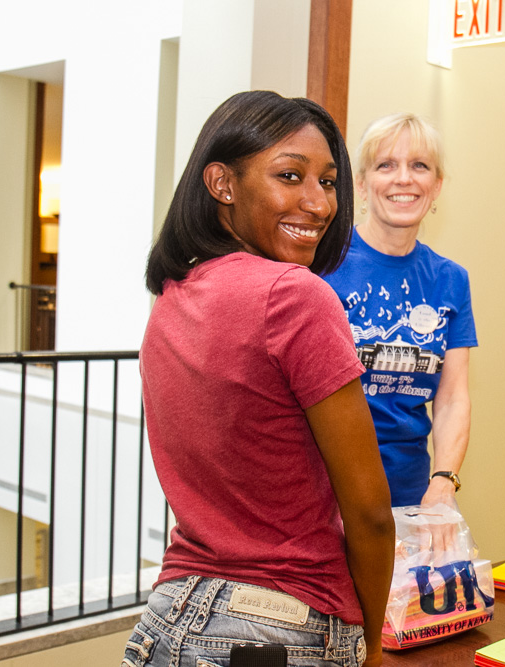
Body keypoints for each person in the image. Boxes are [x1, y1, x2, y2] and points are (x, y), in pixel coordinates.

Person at [123, 91, 394, 667]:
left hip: (168, 619)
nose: (318, 204)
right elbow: (369, 512)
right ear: (221, 183)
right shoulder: (294, 296)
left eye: (326, 182)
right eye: (290, 176)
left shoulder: (172, 299)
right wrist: (369, 645)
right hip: (281, 624)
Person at [324, 113, 476, 508]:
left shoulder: (451, 280)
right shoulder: (322, 267)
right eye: (386, 165)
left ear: (437, 184)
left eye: (420, 166)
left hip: (409, 494)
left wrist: (443, 482)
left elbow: (452, 397)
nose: (404, 179)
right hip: (325, 493)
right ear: (360, 182)